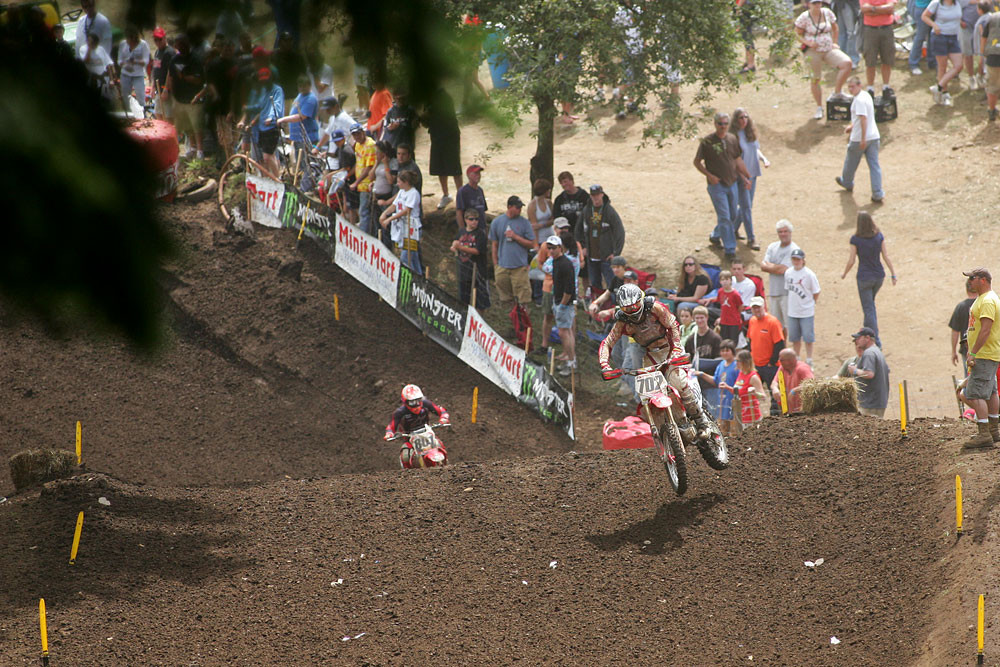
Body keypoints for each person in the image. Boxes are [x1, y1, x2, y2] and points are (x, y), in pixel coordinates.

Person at [598, 283, 717, 439]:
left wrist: (676, 349)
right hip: (650, 355)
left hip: (670, 348)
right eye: (627, 308)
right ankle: (669, 425)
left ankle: (702, 422)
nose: (632, 310)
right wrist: (605, 365)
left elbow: (673, 325)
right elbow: (607, 342)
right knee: (649, 393)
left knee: (678, 382)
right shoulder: (623, 322)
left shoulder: (655, 308)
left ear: (641, 300)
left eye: (634, 306)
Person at [693, 112, 751, 262]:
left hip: (732, 183)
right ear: (715, 124)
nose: (723, 126)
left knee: (732, 215)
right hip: (717, 186)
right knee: (725, 217)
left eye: (725, 124)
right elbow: (697, 162)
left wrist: (745, 176)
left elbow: (737, 159)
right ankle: (730, 250)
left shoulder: (732, 139)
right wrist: (709, 176)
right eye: (720, 124)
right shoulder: (707, 142)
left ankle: (715, 235)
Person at [841, 211, 897, 347]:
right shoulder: (878, 236)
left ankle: (875, 341)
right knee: (869, 306)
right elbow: (885, 256)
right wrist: (893, 273)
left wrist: (844, 273)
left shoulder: (855, 239)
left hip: (864, 278)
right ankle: (865, 336)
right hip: (879, 276)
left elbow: (852, 260)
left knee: (869, 309)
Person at [795, 0, 854, 119]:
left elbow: (835, 28)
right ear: (809, 4)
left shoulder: (827, 12)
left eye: (819, 3)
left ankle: (838, 92)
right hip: (813, 51)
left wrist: (835, 42)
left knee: (846, 63)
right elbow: (797, 34)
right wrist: (808, 43)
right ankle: (819, 107)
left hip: (828, 48)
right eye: (814, 3)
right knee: (815, 78)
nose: (818, 5)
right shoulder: (804, 17)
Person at [962, 267, 1000, 446]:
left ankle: (984, 434)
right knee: (991, 392)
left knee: (974, 393)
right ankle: (993, 431)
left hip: (984, 353)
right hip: (988, 352)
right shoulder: (985, 299)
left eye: (972, 278)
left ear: (983, 280)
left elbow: (985, 329)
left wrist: (973, 352)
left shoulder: (987, 301)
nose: (969, 281)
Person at [835, 76, 884, 203]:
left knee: (850, 162)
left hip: (859, 138)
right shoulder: (865, 96)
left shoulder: (859, 101)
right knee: (874, 165)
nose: (850, 89)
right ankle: (877, 192)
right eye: (849, 87)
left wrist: (862, 139)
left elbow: (863, 118)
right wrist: (852, 126)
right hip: (874, 136)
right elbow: (865, 116)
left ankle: (847, 182)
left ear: (859, 85)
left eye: (852, 86)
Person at [575, 185, 626, 298]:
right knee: (595, 286)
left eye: (597, 195)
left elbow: (620, 232)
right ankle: (598, 306)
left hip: (607, 257)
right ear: (590, 196)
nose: (596, 198)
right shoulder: (587, 210)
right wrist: (582, 247)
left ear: (602, 194)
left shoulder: (609, 211)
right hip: (592, 257)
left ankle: (614, 305)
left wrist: (616, 253)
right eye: (593, 195)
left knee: (612, 285)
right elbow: (578, 230)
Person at [489, 196, 538, 311]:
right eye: (517, 207)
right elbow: (494, 245)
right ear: (509, 207)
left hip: (520, 267)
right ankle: (511, 317)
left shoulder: (525, 223)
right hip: (502, 266)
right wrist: (496, 264)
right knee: (506, 299)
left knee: (523, 299)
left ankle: (523, 319)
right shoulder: (497, 222)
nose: (520, 210)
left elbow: (532, 244)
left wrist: (516, 237)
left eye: (521, 207)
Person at [730, 108, 769, 250]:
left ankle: (732, 229)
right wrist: (743, 177)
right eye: (741, 117)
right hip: (742, 177)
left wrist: (764, 159)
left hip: (753, 174)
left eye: (746, 117)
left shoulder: (749, 133)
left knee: (747, 206)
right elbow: (734, 160)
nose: (744, 120)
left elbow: (756, 149)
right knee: (746, 207)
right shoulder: (734, 137)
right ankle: (751, 238)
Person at [384, 384, 449, 469]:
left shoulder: (426, 403)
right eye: (412, 402)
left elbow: (440, 410)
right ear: (405, 402)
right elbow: (391, 425)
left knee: (439, 444)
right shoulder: (400, 412)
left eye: (418, 401)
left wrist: (444, 418)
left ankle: (446, 465)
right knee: (405, 455)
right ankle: (408, 473)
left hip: (426, 432)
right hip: (410, 437)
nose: (416, 405)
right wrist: (389, 433)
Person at [237, 67, 283, 178]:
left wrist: (271, 117)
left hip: (271, 127)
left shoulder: (276, 90)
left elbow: (276, 105)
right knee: (260, 159)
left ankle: (277, 179)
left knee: (269, 156)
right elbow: (257, 108)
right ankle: (265, 180)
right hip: (260, 129)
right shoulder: (261, 91)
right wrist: (246, 116)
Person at [167, 34, 206, 159]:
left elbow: (198, 80)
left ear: (188, 44)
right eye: (179, 44)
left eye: (183, 44)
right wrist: (169, 93)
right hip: (179, 98)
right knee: (186, 125)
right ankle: (192, 147)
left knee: (196, 125)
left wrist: (183, 77)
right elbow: (171, 77)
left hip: (194, 98)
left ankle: (200, 150)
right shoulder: (174, 60)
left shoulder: (195, 59)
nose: (181, 47)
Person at [277, 74, 319, 190]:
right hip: (297, 138)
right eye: (300, 86)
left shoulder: (311, 99)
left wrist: (283, 119)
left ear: (309, 86)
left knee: (308, 165)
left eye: (304, 86)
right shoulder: (300, 96)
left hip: (307, 137)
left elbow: (301, 116)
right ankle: (305, 186)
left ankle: (307, 189)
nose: (302, 88)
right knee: (300, 165)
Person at [424, 88, 463, 210]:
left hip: (450, 135)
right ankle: (446, 195)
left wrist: (428, 113)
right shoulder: (427, 100)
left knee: (454, 166)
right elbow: (425, 122)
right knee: (439, 166)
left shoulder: (444, 97)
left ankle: (461, 195)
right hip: (436, 136)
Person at [379, 170, 423, 274]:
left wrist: (389, 219)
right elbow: (394, 205)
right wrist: (385, 214)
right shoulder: (401, 192)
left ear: (406, 182)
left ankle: (412, 277)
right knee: (413, 257)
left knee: (406, 256)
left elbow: (406, 210)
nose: (397, 184)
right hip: (403, 228)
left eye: (399, 182)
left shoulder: (413, 194)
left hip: (412, 229)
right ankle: (419, 275)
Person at [760, 219, 800, 332]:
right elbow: (763, 266)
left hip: (788, 293)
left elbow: (783, 270)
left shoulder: (794, 250)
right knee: (776, 325)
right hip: (774, 292)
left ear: (790, 232)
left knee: (789, 326)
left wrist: (770, 266)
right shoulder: (772, 247)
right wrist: (775, 267)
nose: (783, 234)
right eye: (780, 232)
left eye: (785, 231)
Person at [923, 0, 965, 105]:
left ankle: (938, 87)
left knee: (959, 65)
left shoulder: (957, 3)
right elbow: (924, 16)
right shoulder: (936, 3)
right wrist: (934, 25)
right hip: (940, 37)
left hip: (953, 37)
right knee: (942, 66)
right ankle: (944, 93)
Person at [784, 248, 821, 366]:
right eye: (794, 259)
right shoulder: (788, 273)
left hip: (806, 312)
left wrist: (811, 303)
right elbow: (788, 289)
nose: (796, 261)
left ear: (803, 260)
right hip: (792, 311)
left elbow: (816, 291)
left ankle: (809, 359)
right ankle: (797, 358)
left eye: (798, 259)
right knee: (795, 337)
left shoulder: (809, 274)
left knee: (808, 337)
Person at [747, 296, 786, 405]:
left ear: (763, 306)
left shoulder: (773, 322)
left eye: (758, 307)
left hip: (771, 366)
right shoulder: (752, 321)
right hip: (756, 365)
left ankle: (778, 412)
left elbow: (780, 344)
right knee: (753, 392)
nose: (756, 310)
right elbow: (750, 340)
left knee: (776, 393)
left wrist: (772, 362)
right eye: (754, 308)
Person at [548, 236, 578, 376]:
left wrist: (562, 305)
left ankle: (571, 362)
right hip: (558, 299)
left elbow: (569, 288)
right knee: (566, 331)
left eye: (553, 248)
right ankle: (570, 360)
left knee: (564, 332)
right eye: (549, 248)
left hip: (565, 303)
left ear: (560, 248)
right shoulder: (556, 262)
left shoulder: (565, 264)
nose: (551, 251)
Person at [699, 340, 740, 434]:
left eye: (727, 350)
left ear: (733, 352)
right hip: (722, 400)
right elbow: (716, 381)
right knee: (723, 426)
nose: (725, 353)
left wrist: (728, 387)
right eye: (722, 351)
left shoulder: (737, 366)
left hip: (733, 400)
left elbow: (740, 384)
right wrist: (702, 374)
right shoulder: (721, 365)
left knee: (734, 426)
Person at [452, 208, 491, 311]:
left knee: (480, 303)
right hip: (464, 271)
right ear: (465, 220)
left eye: (476, 219)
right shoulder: (462, 231)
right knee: (463, 301)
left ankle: (479, 319)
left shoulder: (480, 234)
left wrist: (460, 247)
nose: (474, 221)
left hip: (478, 272)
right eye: (471, 219)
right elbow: (455, 241)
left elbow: (477, 251)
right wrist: (454, 246)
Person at [848, 326, 890, 418]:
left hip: (870, 403)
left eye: (859, 338)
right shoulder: (877, 351)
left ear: (867, 338)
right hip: (878, 401)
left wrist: (855, 370)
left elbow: (869, 374)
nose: (857, 341)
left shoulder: (869, 353)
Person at [860, 0, 898, 96]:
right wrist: (883, 10)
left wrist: (873, 9)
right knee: (870, 59)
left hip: (887, 28)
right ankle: (870, 88)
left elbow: (890, 8)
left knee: (887, 59)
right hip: (870, 29)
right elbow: (864, 9)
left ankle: (886, 86)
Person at [349, 123, 377, 234]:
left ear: (363, 132)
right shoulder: (357, 145)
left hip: (367, 183)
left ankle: (364, 235)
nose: (357, 137)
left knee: (363, 211)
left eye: (358, 134)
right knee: (362, 210)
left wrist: (356, 182)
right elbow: (358, 163)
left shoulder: (370, 145)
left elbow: (369, 167)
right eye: (354, 135)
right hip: (360, 184)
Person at [770, 348, 815, 413]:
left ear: (789, 361)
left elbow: (812, 384)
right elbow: (774, 382)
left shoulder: (802, 368)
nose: (779, 361)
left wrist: (794, 391)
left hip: (803, 408)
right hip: (790, 409)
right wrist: (775, 389)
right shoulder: (782, 368)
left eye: (781, 360)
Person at [730, 350, 767, 428]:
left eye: (738, 361)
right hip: (741, 415)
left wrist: (754, 393)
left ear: (745, 362)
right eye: (736, 360)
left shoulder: (753, 377)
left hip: (752, 417)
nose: (736, 363)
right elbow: (738, 391)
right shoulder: (741, 374)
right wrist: (727, 387)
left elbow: (763, 397)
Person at [588, 256, 630, 322]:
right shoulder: (615, 279)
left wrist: (609, 311)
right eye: (613, 267)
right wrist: (595, 303)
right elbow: (607, 294)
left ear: (624, 267)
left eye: (618, 267)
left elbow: (629, 306)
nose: (615, 270)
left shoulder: (629, 281)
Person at [118, 26, 150, 108]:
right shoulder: (123, 44)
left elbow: (146, 61)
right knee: (125, 96)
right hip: (125, 74)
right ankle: (128, 112)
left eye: (130, 38)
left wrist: (136, 62)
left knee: (140, 96)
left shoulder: (143, 44)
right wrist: (125, 64)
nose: (128, 41)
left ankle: (142, 111)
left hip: (138, 74)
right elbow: (119, 61)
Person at [949, 279, 978, 370]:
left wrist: (953, 351)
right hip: (985, 348)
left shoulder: (961, 307)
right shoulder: (984, 304)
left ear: (966, 290)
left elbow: (955, 332)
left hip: (967, 349)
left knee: (968, 375)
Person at [151, 27, 176, 121]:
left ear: (164, 38)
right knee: (158, 114)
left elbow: (170, 72)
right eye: (155, 40)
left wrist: (166, 88)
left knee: (168, 117)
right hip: (158, 88)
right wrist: (153, 86)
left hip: (166, 90)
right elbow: (155, 69)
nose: (158, 42)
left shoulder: (169, 52)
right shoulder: (157, 52)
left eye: (160, 39)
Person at [713, 270, 745, 343]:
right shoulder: (720, 291)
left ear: (730, 280)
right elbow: (720, 304)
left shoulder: (735, 294)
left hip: (734, 322)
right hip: (724, 321)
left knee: (733, 342)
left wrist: (736, 315)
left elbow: (740, 306)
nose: (724, 282)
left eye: (727, 279)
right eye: (722, 280)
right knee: (724, 341)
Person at [79, 31, 114, 96]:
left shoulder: (101, 49)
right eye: (90, 42)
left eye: (94, 43)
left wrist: (111, 79)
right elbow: (86, 61)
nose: (93, 44)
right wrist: (89, 48)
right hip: (91, 79)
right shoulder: (83, 49)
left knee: (105, 97)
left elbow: (108, 63)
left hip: (103, 77)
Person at [981, 4, 1000, 121]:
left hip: (993, 56)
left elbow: (984, 37)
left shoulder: (992, 17)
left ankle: (992, 110)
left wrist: (983, 52)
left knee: (992, 86)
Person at [910, 0, 939, 74]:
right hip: (922, 8)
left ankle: (932, 62)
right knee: (920, 37)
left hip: (934, 8)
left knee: (932, 36)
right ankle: (913, 63)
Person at [455, 164, 487, 231]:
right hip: (470, 229)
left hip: (481, 229)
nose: (478, 175)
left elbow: (483, 211)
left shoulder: (480, 190)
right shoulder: (463, 191)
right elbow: (459, 212)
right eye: (475, 173)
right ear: (468, 175)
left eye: (479, 173)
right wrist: (463, 230)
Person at [833, 0, 862, 66]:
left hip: (850, 4)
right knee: (841, 33)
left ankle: (853, 59)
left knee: (851, 33)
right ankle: (842, 59)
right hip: (837, 4)